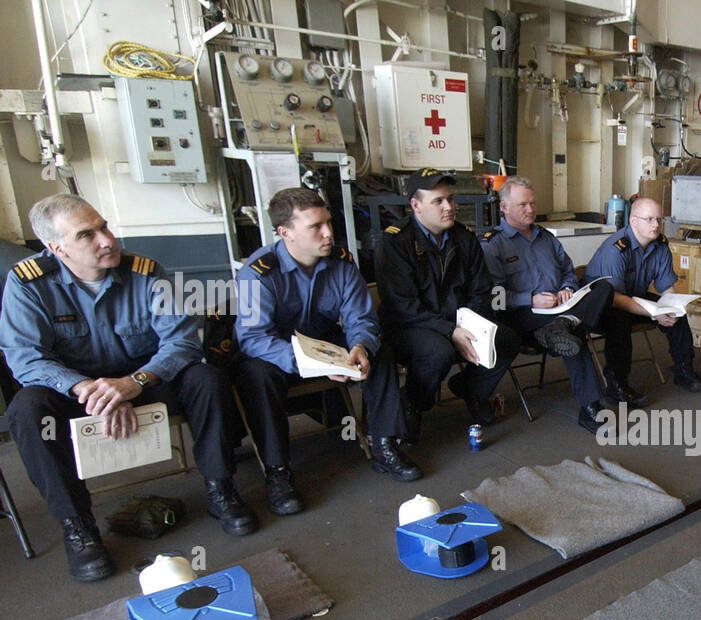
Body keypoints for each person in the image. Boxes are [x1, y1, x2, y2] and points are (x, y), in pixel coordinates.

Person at [0, 195, 256, 581]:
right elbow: (26, 359)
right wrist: (92, 390)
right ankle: (78, 527)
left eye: (104, 225)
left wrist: (132, 384)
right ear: (56, 248)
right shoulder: (28, 284)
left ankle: (222, 489)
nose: (107, 240)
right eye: (88, 234)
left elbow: (182, 343)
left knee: (206, 379)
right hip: (74, 390)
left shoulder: (147, 272)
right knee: (26, 410)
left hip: (144, 378)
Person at [234, 187, 420, 515]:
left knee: (382, 352)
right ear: (285, 233)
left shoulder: (342, 263)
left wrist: (360, 346)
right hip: (278, 354)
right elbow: (253, 338)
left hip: (324, 343)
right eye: (315, 226)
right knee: (255, 374)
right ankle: (278, 473)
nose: (328, 233)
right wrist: (312, 364)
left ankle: (383, 443)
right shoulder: (257, 273)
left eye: (328, 222)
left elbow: (360, 318)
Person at [374, 171, 521, 440]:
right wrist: (449, 330)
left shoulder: (464, 238)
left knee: (507, 339)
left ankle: (471, 390)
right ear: (416, 206)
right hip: (409, 326)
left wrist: (473, 325)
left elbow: (481, 291)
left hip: (457, 323)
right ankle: (413, 404)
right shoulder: (394, 243)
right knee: (438, 352)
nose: (449, 207)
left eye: (450, 200)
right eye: (438, 201)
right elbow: (402, 306)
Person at [480, 175, 612, 433]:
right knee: (574, 336)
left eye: (533, 203)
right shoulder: (492, 244)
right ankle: (590, 408)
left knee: (604, 288)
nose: (530, 210)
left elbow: (568, 271)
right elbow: (492, 296)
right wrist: (529, 299)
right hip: (523, 315)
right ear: (504, 207)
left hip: (560, 309)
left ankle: (563, 325)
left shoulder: (546, 237)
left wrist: (567, 288)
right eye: (522, 205)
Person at [583, 196, 701, 407]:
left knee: (678, 313)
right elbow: (615, 299)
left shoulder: (660, 246)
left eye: (659, 219)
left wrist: (671, 307)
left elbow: (666, 286)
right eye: (649, 219)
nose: (656, 225)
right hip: (602, 305)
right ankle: (617, 386)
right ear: (633, 221)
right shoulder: (616, 249)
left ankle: (684, 370)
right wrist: (653, 313)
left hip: (633, 297)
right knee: (619, 320)